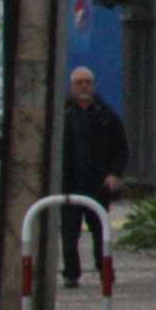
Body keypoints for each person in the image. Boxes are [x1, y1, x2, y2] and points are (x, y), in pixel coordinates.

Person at [58, 65, 129, 287]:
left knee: (100, 231)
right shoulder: (63, 113)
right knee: (69, 233)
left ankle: (104, 269)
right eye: (79, 82)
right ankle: (71, 274)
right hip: (70, 182)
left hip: (97, 183)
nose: (84, 86)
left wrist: (115, 174)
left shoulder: (105, 114)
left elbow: (121, 147)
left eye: (87, 82)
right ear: (72, 86)